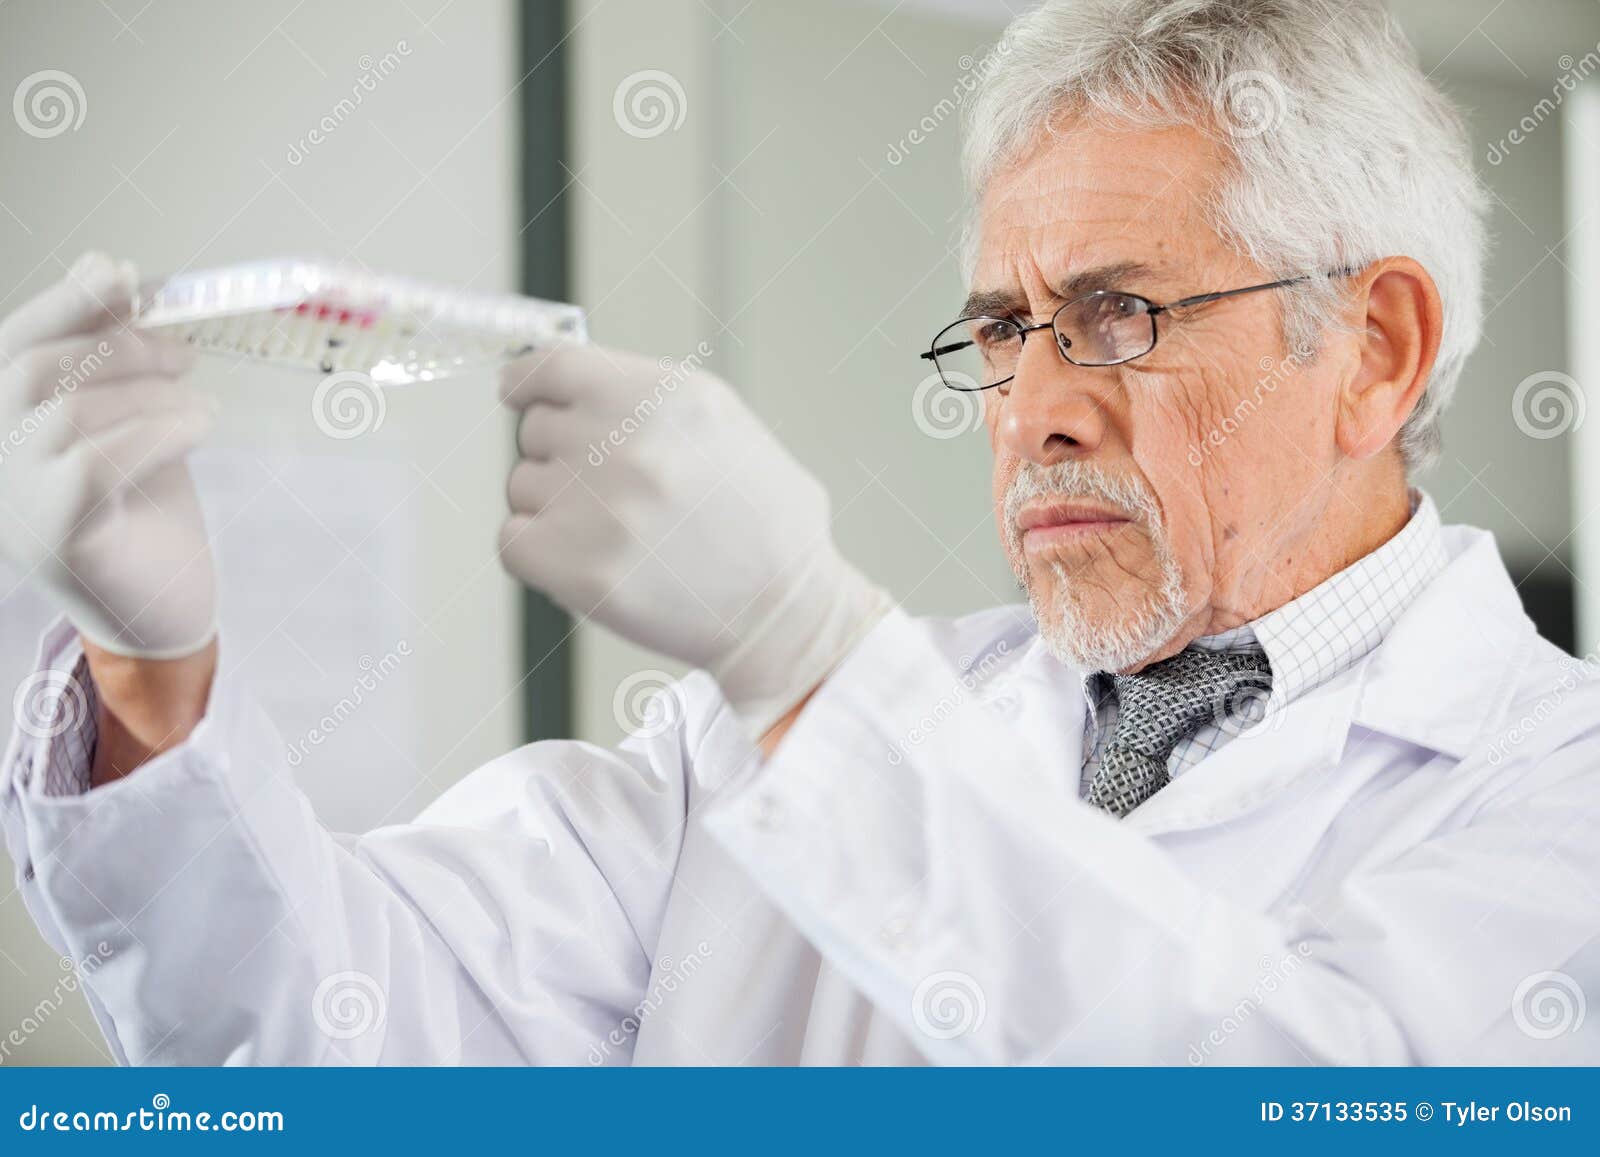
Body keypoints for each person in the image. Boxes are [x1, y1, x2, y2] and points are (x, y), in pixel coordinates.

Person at [2, 0, 1597, 1065]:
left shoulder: (1557, 796)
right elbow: (338, 1028)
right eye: (999, 328)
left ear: (1374, 349)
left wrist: (808, 656)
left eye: (1114, 315)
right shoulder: (748, 755)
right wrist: (156, 672)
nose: (1029, 406)